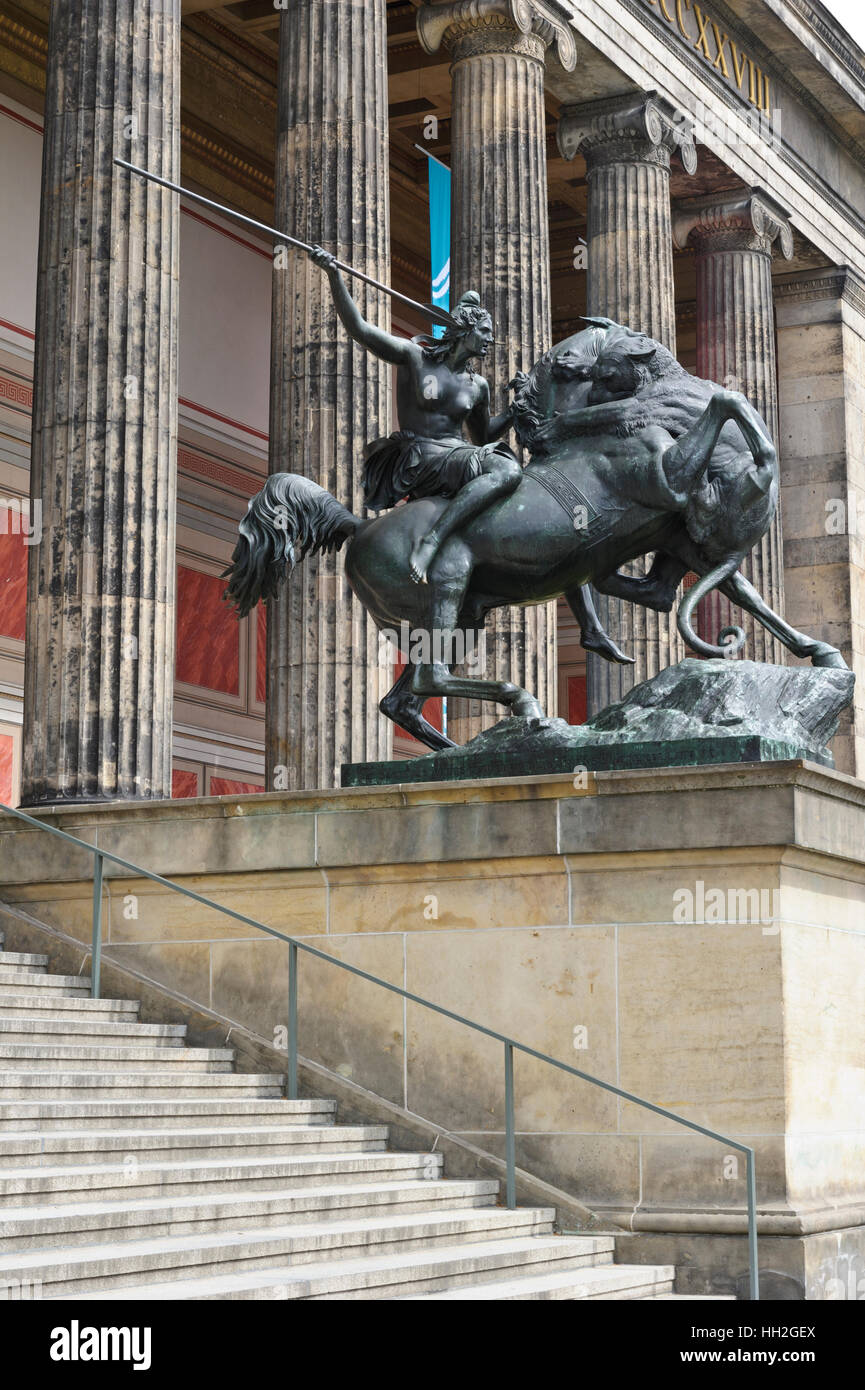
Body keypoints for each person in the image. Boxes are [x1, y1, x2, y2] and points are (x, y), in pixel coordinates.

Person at [307, 246, 521, 583]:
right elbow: (360, 330)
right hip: (421, 456)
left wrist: (514, 411)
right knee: (508, 469)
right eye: (485, 332)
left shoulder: (477, 385)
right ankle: (432, 539)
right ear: (465, 330)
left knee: (509, 480)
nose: (490, 340)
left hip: (457, 456)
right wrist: (334, 275)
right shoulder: (415, 357)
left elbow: (485, 437)